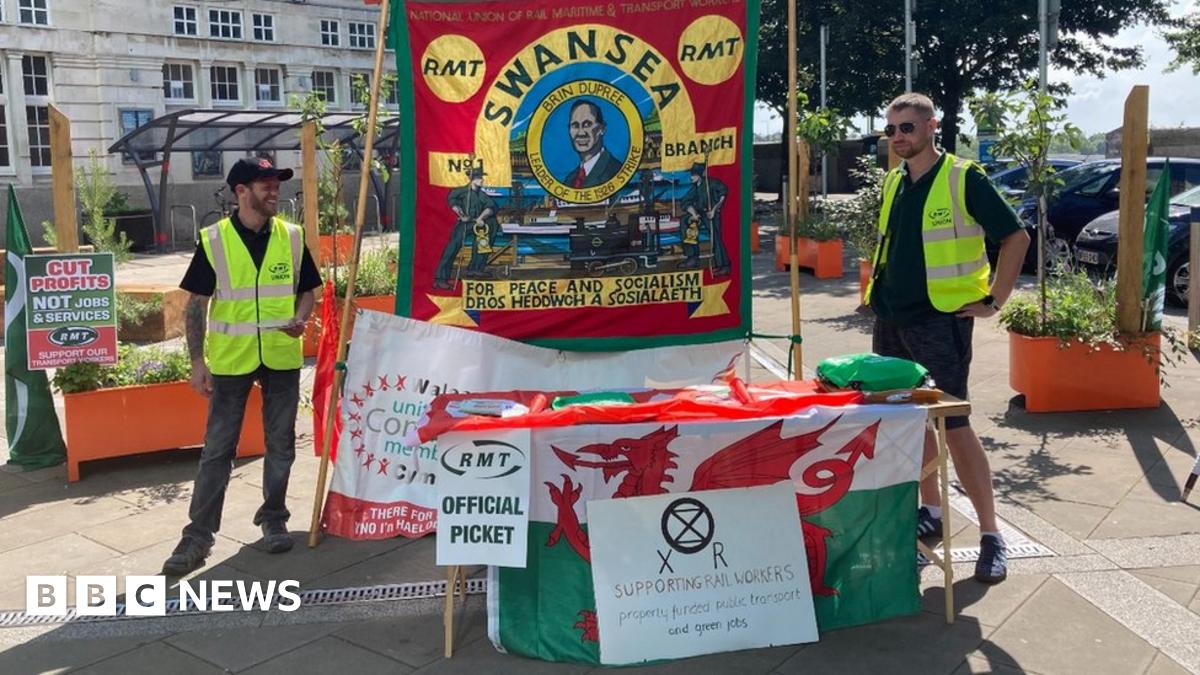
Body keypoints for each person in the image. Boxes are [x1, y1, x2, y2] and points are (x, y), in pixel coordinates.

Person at [865, 93, 1030, 584]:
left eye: (907, 128)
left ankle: (990, 535)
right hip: (892, 320)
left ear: (932, 126)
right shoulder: (895, 181)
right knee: (907, 422)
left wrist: (995, 300)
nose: (898, 137)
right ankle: (931, 514)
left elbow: (1015, 237)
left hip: (940, 321)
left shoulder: (963, 177)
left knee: (954, 424)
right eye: (891, 129)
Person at [162, 157, 322, 576]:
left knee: (282, 444)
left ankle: (273, 518)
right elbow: (195, 304)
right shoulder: (214, 239)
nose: (274, 191)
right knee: (217, 450)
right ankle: (197, 536)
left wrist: (302, 318)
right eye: (265, 185)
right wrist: (197, 361)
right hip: (232, 360)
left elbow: (310, 290)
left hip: (281, 355)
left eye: (276, 184)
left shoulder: (291, 235)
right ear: (241, 192)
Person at [434, 167, 498, 289]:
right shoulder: (461, 192)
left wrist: (481, 218)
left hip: (478, 223)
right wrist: (461, 215)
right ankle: (440, 278)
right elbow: (452, 202)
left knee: (484, 239)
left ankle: (475, 269)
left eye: (481, 178)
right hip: (465, 222)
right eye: (479, 178)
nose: (482, 180)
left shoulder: (481, 195)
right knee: (453, 245)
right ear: (472, 180)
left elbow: (491, 207)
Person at [680, 162, 730, 276]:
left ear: (699, 175)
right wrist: (693, 213)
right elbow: (685, 201)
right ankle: (692, 257)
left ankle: (724, 265)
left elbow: (724, 192)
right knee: (684, 221)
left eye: (693, 175)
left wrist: (714, 209)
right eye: (691, 175)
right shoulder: (695, 187)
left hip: (711, 213)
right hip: (699, 214)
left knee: (715, 236)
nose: (691, 177)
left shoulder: (711, 183)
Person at [560, 99, 624, 189]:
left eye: (587, 124)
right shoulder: (570, 180)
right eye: (575, 125)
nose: (581, 133)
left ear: (602, 129)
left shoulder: (616, 173)